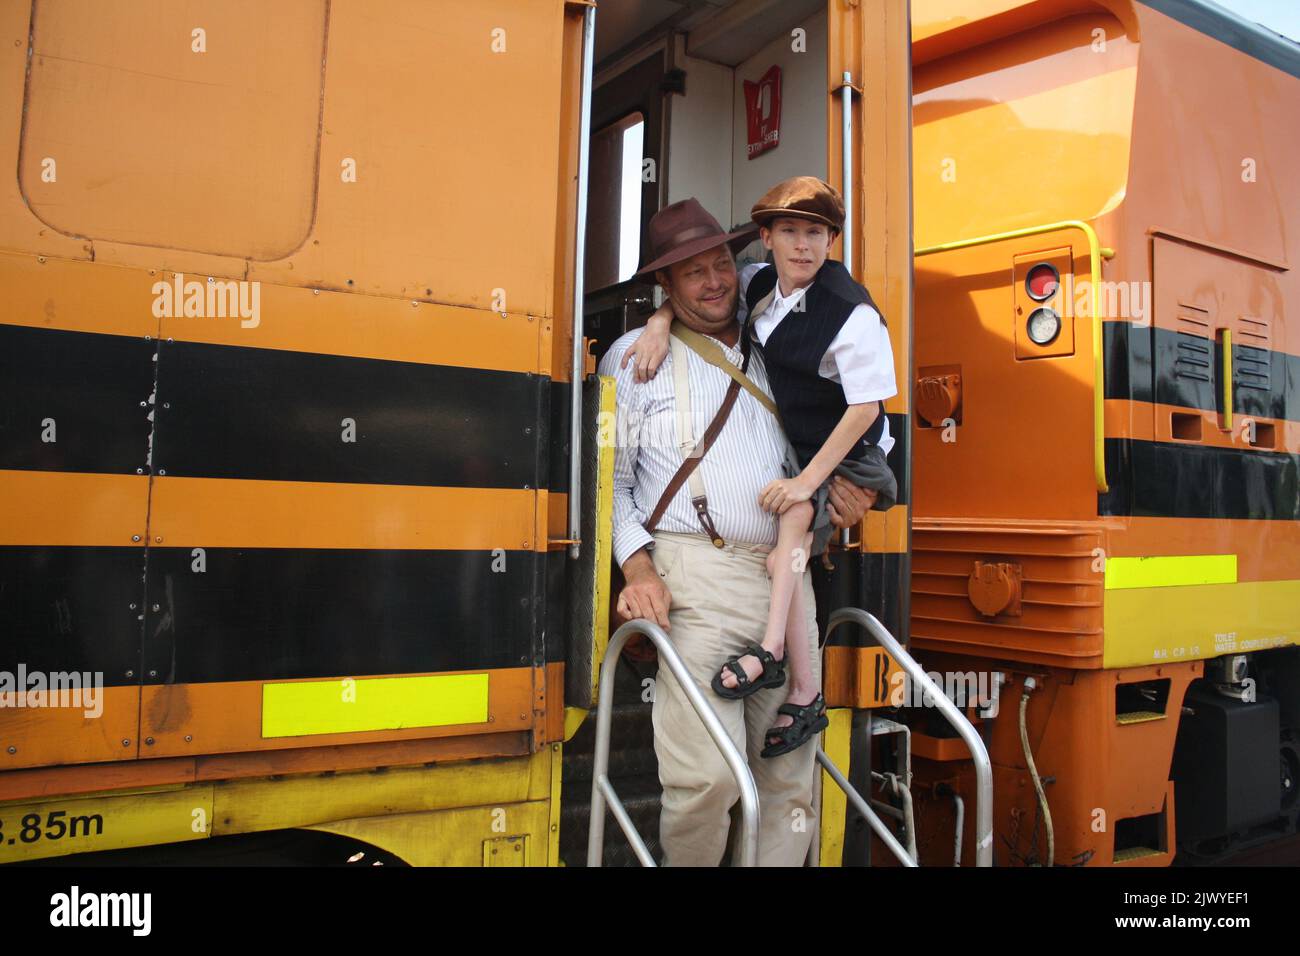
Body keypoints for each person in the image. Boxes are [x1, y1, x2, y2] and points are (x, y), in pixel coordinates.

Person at [598, 196, 879, 866]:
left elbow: (852, 414)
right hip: (694, 576)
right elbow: (608, 482)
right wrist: (638, 570)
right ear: (664, 287)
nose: (715, 281)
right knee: (709, 777)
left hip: (785, 575)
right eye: (690, 274)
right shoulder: (633, 357)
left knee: (789, 776)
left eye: (719, 262)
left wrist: (861, 483)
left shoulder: (776, 340)